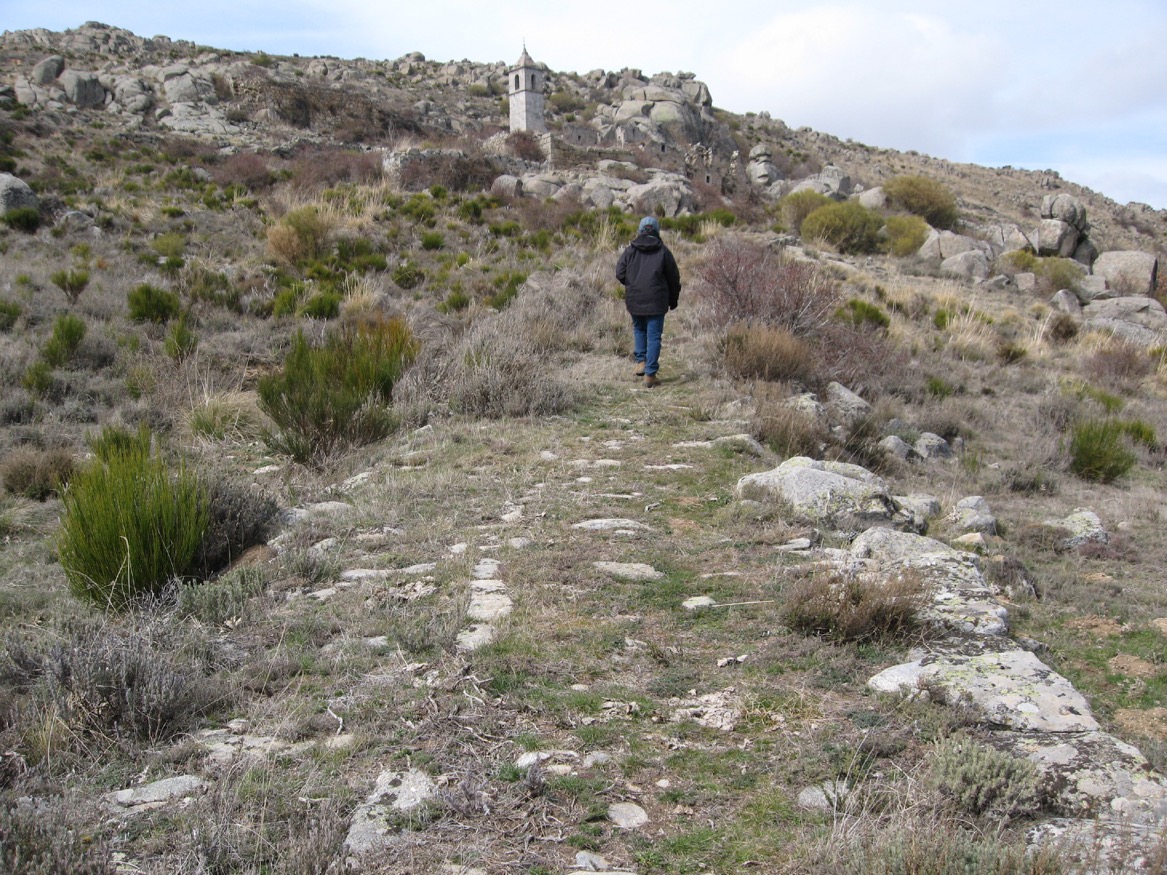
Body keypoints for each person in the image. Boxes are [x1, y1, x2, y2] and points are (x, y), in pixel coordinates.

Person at [615, 216, 681, 388]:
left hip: (635, 299)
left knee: (639, 329)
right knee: (653, 337)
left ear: (640, 230)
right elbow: (674, 278)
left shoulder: (630, 250)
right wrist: (673, 300)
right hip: (657, 301)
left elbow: (619, 272)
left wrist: (632, 284)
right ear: (657, 231)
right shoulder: (664, 251)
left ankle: (641, 362)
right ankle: (650, 375)